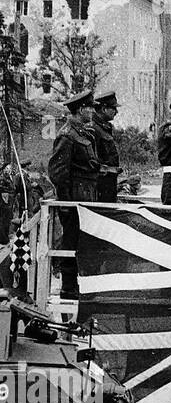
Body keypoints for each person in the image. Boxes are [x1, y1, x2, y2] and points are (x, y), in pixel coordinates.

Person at [48, 89, 102, 297]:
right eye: (90, 108)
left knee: (82, 243)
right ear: (81, 109)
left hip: (85, 198)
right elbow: (58, 173)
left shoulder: (82, 133)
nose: (92, 111)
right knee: (71, 243)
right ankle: (68, 288)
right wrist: (66, 204)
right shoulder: (67, 135)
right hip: (73, 201)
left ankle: (80, 287)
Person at [90, 90, 121, 203]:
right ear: (103, 109)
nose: (116, 112)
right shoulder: (94, 129)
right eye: (113, 108)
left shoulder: (104, 128)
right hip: (100, 184)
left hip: (108, 183)